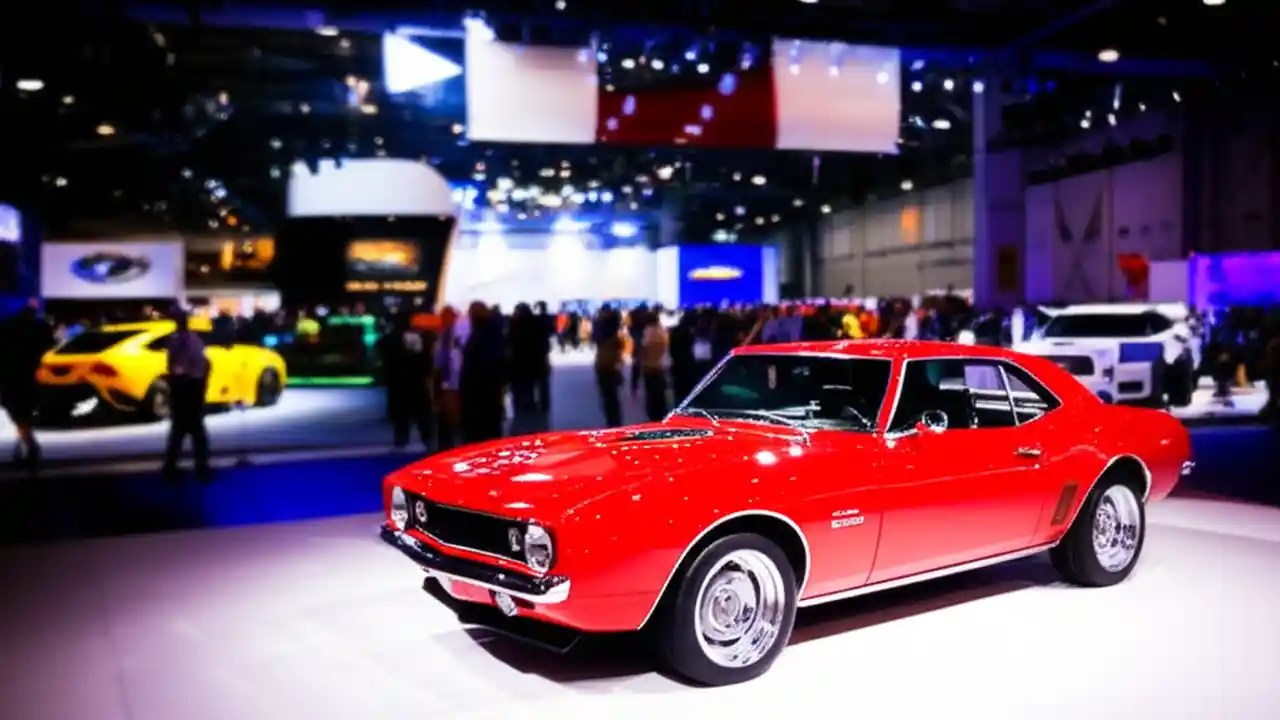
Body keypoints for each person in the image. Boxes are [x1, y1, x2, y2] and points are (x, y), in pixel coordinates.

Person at [0, 299, 56, 471]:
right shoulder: (41, 326)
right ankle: (27, 443)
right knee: (25, 410)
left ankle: (28, 444)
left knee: (17, 410)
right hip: (33, 373)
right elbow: (50, 348)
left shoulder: (7, 326)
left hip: (11, 374)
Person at [162, 309, 212, 481]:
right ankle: (201, 469)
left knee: (179, 431)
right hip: (191, 388)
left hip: (182, 389)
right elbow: (202, 365)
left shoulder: (174, 341)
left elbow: (171, 366)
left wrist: (173, 381)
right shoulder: (193, 340)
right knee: (196, 433)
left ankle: (171, 469)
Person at [378, 312, 433, 450]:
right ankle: (426, 440)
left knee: (404, 414)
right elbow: (426, 360)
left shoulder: (391, 339)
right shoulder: (422, 339)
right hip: (415, 381)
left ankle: (402, 441)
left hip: (401, 382)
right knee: (421, 413)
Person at [593, 305, 625, 427]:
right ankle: (615, 423)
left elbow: (595, 336)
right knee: (612, 397)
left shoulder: (603, 337)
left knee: (608, 397)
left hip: (604, 366)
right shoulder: (616, 338)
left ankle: (613, 423)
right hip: (612, 366)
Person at [639, 313, 670, 422]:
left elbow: (645, 348)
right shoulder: (662, 331)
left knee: (651, 395)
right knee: (660, 395)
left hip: (649, 367)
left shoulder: (648, 331)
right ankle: (662, 416)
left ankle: (653, 418)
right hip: (660, 366)